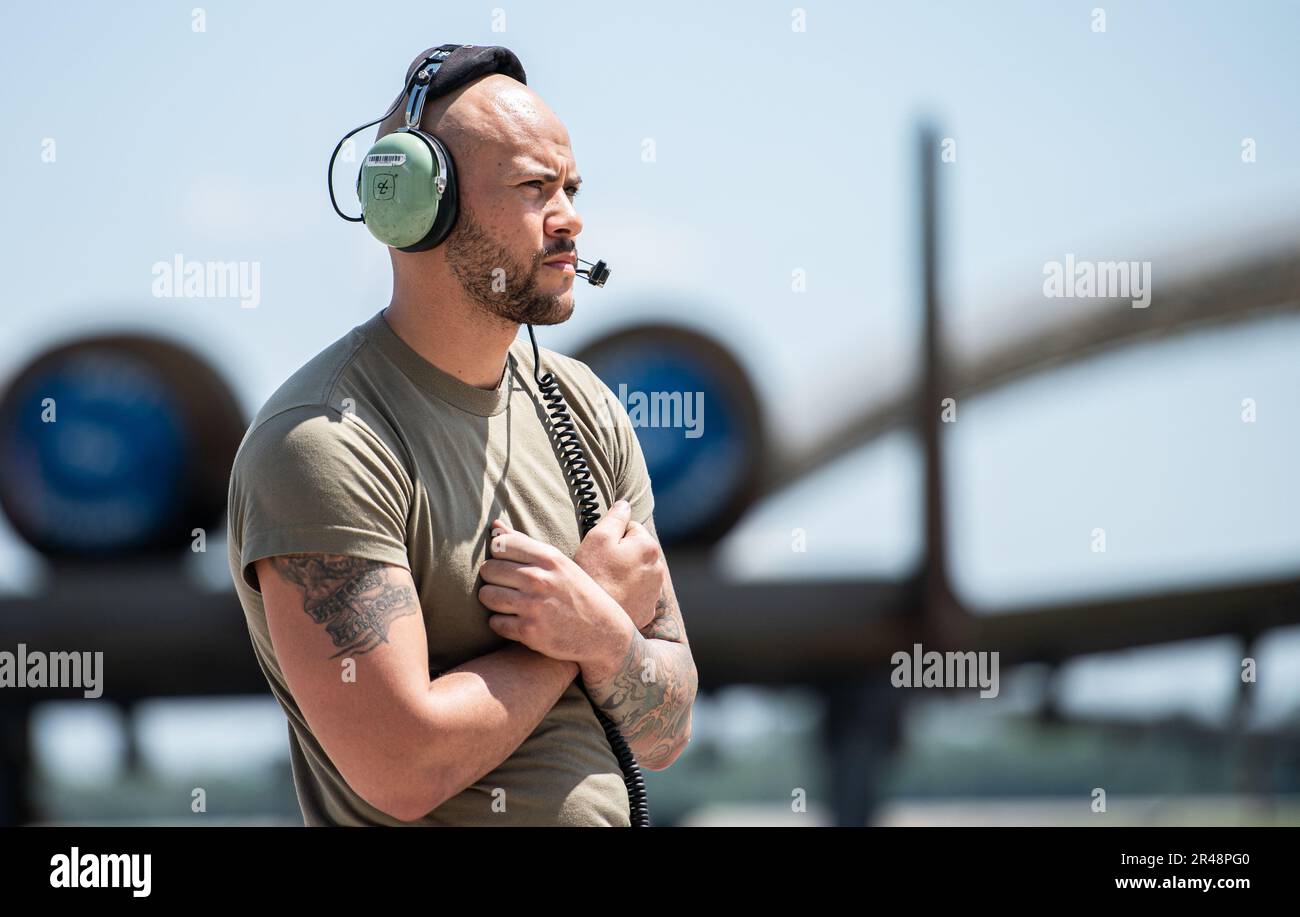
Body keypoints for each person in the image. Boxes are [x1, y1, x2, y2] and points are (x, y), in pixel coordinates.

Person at [226, 46, 697, 825]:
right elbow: (404, 766)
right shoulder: (323, 443)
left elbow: (668, 728)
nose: (571, 216)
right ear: (419, 209)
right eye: (534, 187)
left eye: (572, 188)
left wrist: (600, 632)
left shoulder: (586, 408)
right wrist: (579, 629)